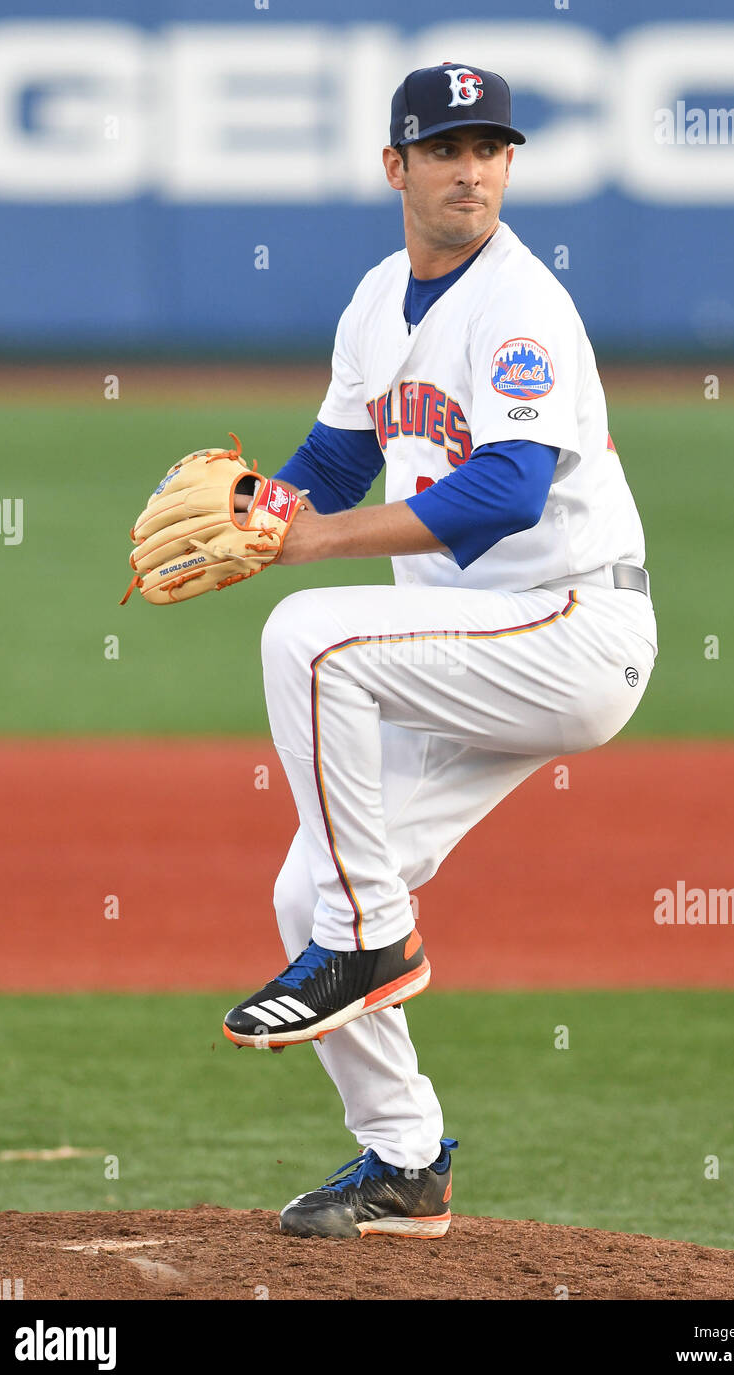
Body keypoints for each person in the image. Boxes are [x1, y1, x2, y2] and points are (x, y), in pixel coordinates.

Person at [223, 62, 658, 1239]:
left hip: (572, 624)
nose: (472, 169)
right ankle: (405, 1162)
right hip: (472, 644)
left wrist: (311, 550)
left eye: (491, 148)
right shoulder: (376, 300)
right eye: (446, 148)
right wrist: (254, 509)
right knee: (304, 887)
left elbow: (507, 493)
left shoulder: (520, 304)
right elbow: (331, 462)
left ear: (507, 165)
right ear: (395, 166)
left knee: (310, 636)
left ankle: (368, 944)